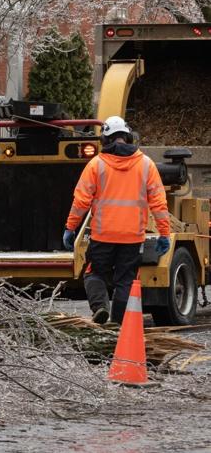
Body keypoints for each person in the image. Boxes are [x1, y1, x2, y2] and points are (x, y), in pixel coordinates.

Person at [62, 115, 171, 325]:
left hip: (103, 235)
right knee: (126, 281)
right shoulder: (146, 165)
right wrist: (164, 233)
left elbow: (80, 201)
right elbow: (159, 204)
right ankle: (117, 325)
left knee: (94, 274)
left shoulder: (96, 165)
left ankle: (101, 307)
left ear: (105, 139)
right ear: (128, 137)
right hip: (132, 237)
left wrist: (71, 227)